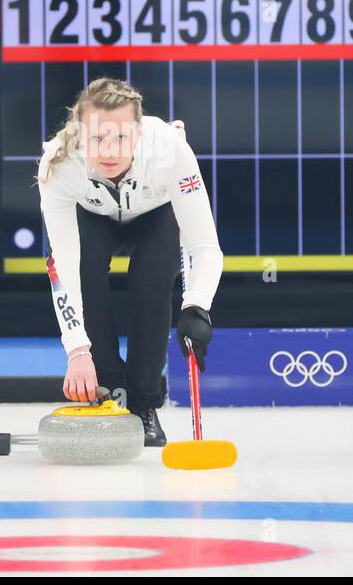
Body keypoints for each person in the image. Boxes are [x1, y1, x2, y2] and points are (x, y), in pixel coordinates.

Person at [36, 78, 224, 446]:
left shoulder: (171, 149)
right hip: (92, 215)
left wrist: (197, 307)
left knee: (151, 282)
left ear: (138, 133)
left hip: (154, 214)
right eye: (96, 139)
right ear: (79, 133)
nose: (108, 150)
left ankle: (144, 404)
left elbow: (205, 246)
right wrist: (77, 350)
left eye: (120, 138)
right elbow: (63, 267)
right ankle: (108, 390)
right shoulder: (57, 164)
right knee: (85, 270)